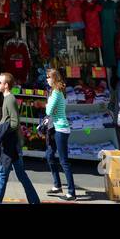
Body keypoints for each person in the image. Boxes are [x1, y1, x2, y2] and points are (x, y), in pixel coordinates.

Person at [0, 71, 40, 204]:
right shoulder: (7, 98)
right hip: (13, 144)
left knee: (2, 175)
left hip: (10, 145)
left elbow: (14, 123)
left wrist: (0, 133)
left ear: (6, 85)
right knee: (21, 175)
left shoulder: (9, 99)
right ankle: (34, 201)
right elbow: (4, 121)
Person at [43, 67, 75, 201]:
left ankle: (72, 193)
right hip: (56, 128)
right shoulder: (55, 92)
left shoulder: (56, 93)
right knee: (49, 155)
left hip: (61, 129)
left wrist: (46, 104)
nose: (47, 79)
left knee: (64, 161)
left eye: (48, 77)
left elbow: (48, 111)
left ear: (54, 78)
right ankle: (57, 185)